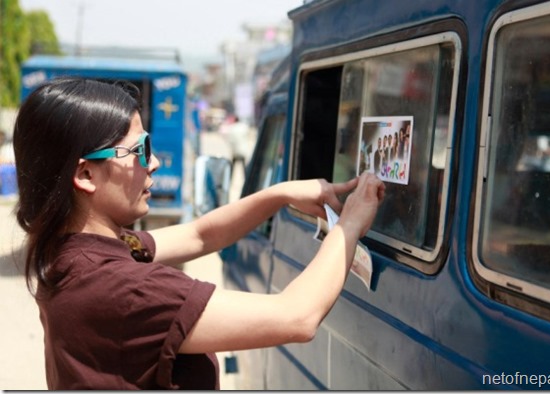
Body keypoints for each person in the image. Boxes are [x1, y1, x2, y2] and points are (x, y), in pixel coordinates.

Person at [12, 77, 385, 390]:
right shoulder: (123, 288)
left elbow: (199, 236)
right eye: (140, 150)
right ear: (86, 175)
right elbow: (295, 317)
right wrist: (350, 225)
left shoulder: (74, 252)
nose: (154, 162)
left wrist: (280, 193)